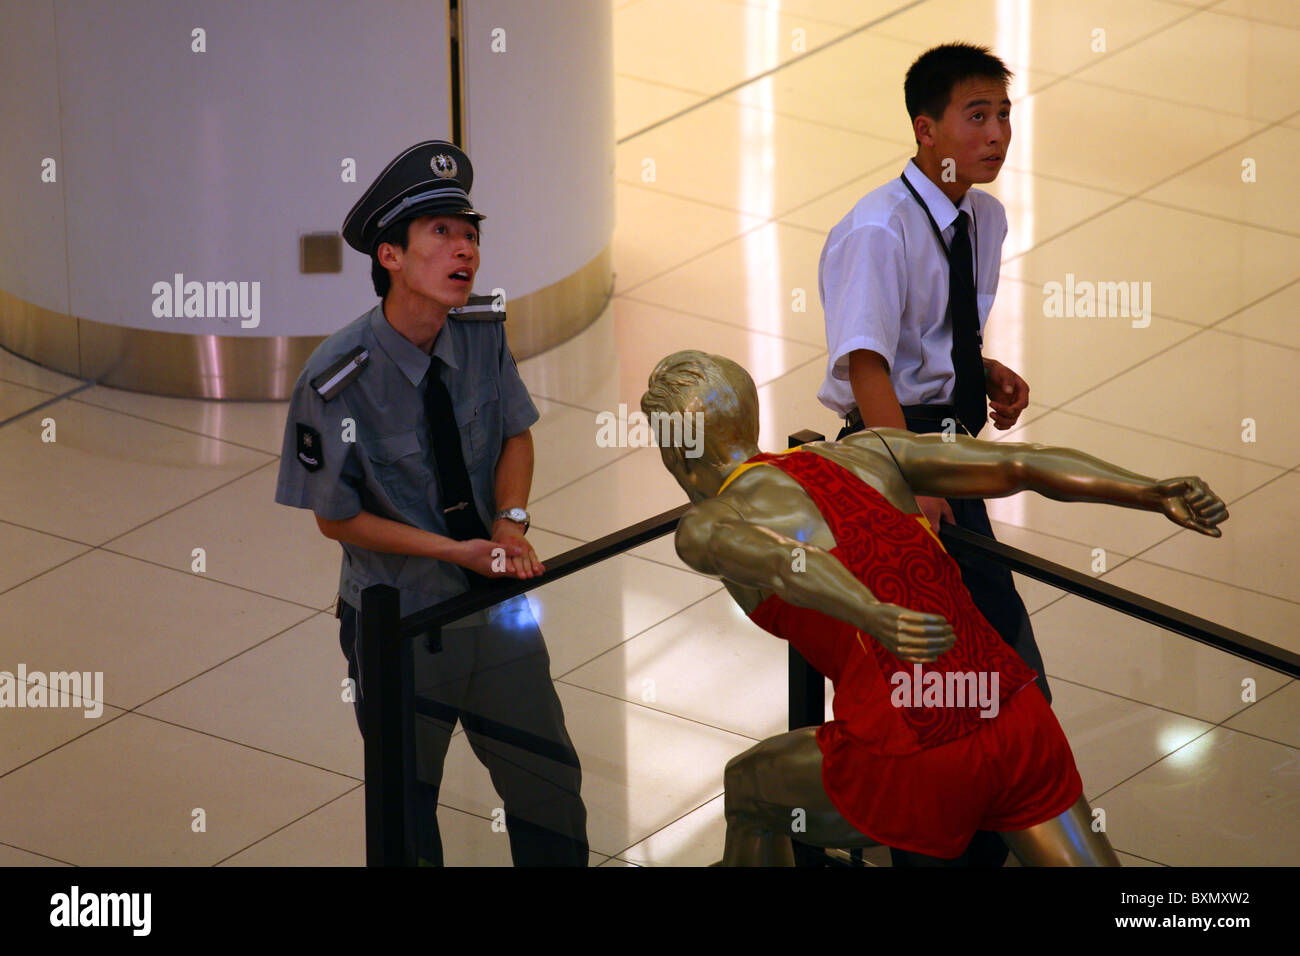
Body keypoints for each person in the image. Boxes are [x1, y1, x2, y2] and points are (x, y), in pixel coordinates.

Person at [642, 350, 1228, 866]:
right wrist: (1149, 490)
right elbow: (1021, 463)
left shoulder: (708, 525)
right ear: (750, 412)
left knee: (748, 788)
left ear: (674, 451)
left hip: (913, 751)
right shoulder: (867, 452)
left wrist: (870, 613)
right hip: (1013, 711)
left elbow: (781, 563)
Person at [274, 140, 587, 866]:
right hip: (399, 625)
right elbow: (335, 517)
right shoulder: (336, 378)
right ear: (390, 256)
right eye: (441, 234)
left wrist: (509, 521)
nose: (464, 251)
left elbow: (516, 434)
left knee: (548, 789)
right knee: (408, 818)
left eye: (471, 234)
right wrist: (455, 550)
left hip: (495, 604)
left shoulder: (480, 331)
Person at [818, 43, 1039, 866]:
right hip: (892, 460)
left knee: (986, 653)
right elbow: (868, 361)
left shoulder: (983, 218)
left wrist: (982, 371)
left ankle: (979, 829)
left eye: (1004, 114)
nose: (996, 133)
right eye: (975, 116)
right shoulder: (877, 229)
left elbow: (936, 331)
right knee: (946, 668)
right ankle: (943, 842)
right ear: (925, 128)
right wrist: (909, 485)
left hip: (946, 453)